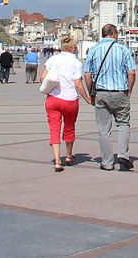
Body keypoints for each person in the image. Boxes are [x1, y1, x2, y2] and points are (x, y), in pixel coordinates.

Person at [83, 24, 137, 171]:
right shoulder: (123, 49)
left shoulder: (93, 50)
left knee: (103, 129)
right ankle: (123, 155)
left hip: (101, 92)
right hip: (121, 91)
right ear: (113, 33)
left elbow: (87, 74)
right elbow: (131, 73)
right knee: (123, 124)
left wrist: (91, 93)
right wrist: (129, 90)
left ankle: (107, 162)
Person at [42, 36, 91, 172]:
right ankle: (69, 155)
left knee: (54, 129)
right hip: (70, 100)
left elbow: (42, 77)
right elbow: (78, 84)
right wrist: (87, 99)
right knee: (69, 127)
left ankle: (57, 161)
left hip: (53, 99)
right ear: (73, 48)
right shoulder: (76, 62)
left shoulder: (52, 59)